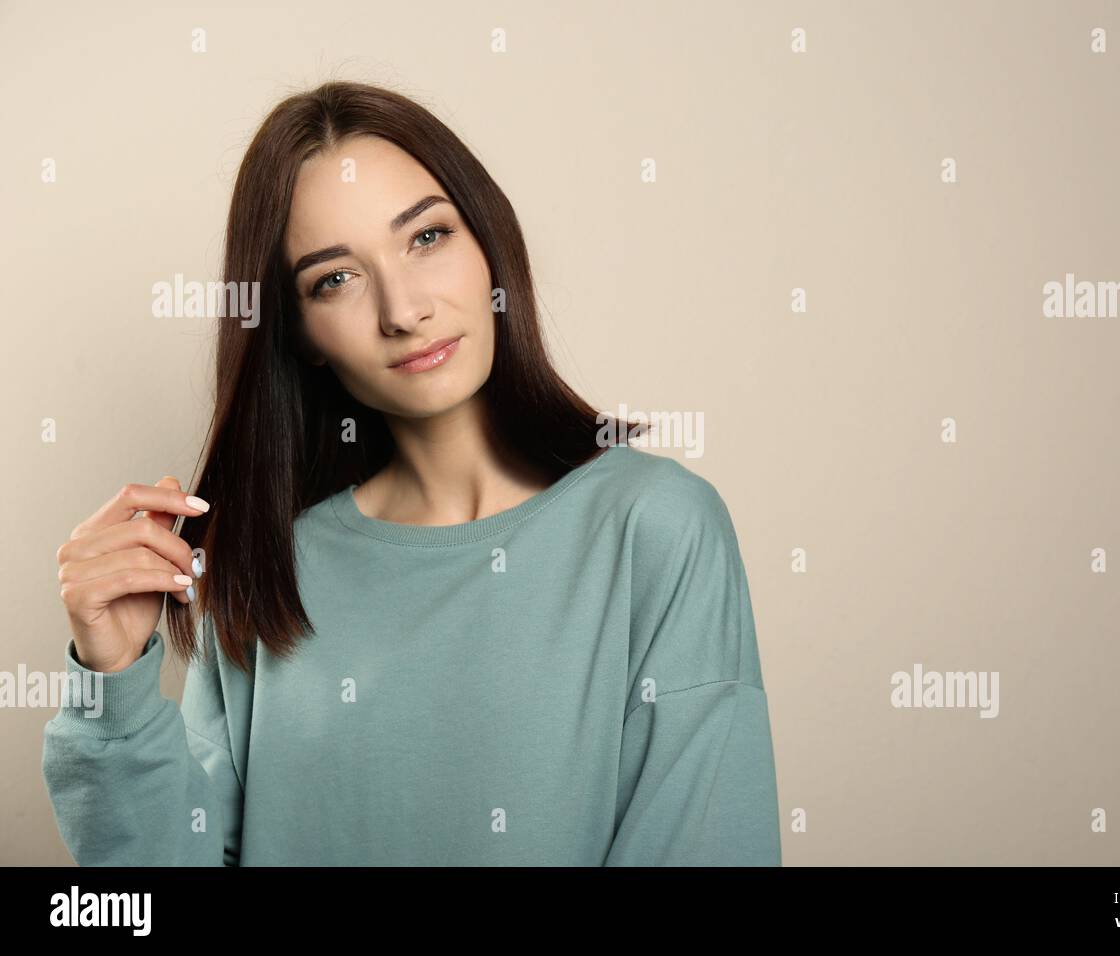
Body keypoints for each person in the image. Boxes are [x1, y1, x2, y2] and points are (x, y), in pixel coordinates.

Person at [43, 81, 781, 866]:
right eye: (336, 278)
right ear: (301, 335)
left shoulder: (655, 528)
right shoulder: (267, 568)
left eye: (426, 238)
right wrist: (113, 678)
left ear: (488, 240)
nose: (403, 309)